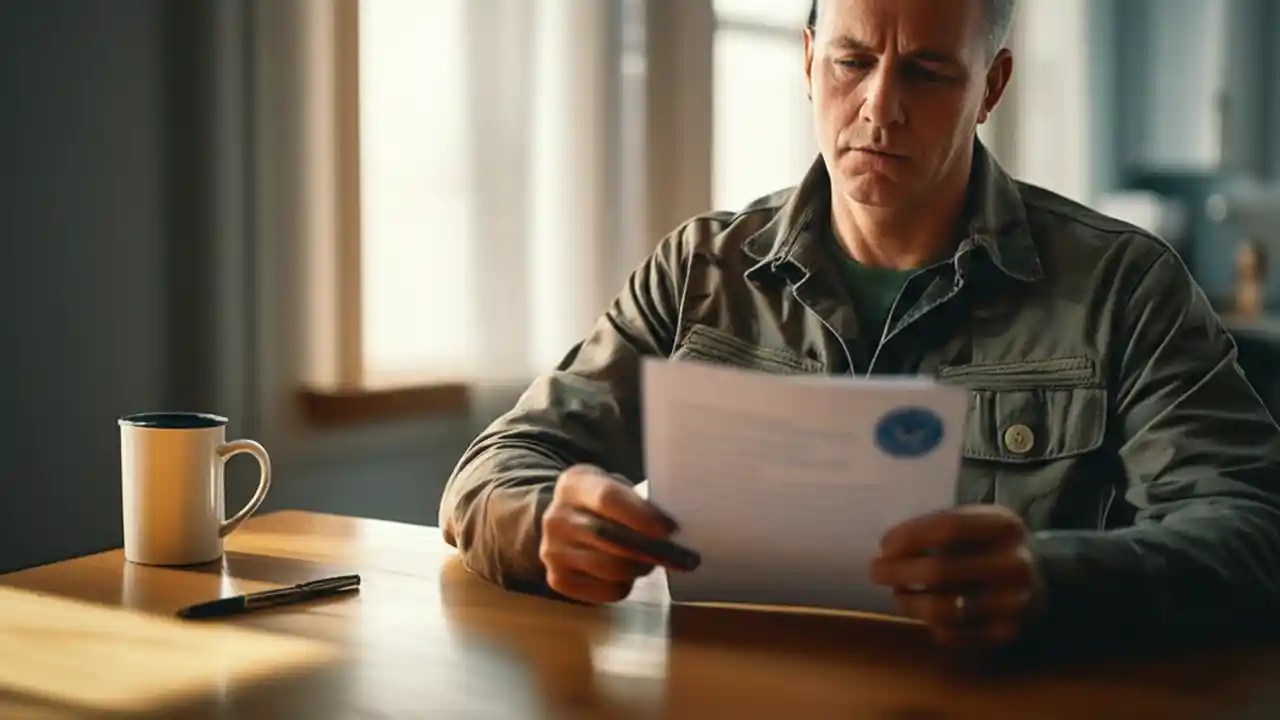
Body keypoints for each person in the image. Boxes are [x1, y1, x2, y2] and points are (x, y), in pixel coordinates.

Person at [440, 0, 1280, 652]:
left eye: (926, 71)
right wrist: (547, 519)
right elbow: (490, 472)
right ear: (809, 61)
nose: (879, 108)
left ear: (991, 85)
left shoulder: (1123, 287)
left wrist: (1055, 580)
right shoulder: (702, 270)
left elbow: (1251, 528)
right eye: (851, 60)